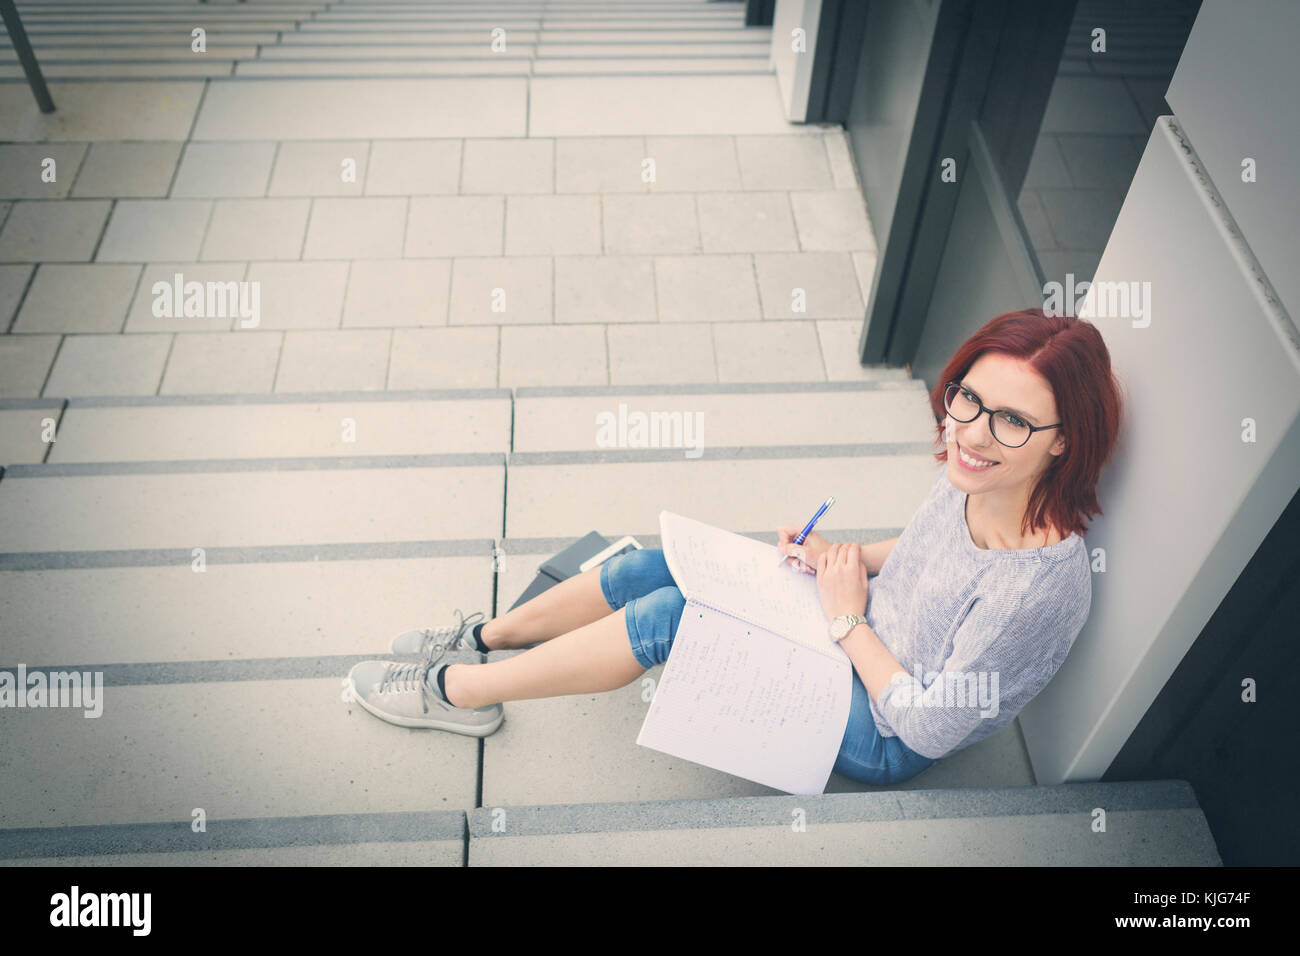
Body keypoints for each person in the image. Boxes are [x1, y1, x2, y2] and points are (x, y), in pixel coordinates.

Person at [346, 308, 1123, 787]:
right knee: (660, 565)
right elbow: (921, 553)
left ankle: (457, 696)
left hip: (883, 725)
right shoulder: (978, 474)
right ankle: (484, 637)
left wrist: (847, 620)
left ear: (1065, 443)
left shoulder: (1038, 591)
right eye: (967, 400)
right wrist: (838, 561)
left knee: (674, 619)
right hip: (853, 630)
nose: (971, 433)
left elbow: (924, 728)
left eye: (1011, 421)